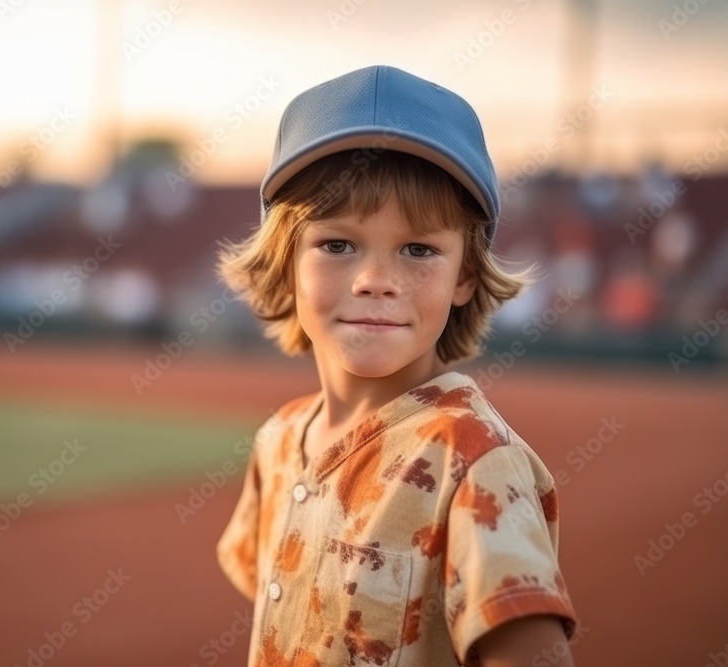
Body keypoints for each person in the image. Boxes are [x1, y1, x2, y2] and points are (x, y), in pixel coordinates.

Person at [215, 65, 579, 667]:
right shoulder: (277, 441)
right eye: (336, 244)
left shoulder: (475, 462)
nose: (375, 280)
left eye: (418, 249)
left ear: (465, 274)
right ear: (286, 262)